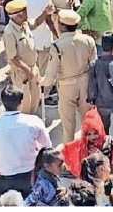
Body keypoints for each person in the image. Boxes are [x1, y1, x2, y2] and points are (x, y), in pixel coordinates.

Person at [0, 85, 52, 201]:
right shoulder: (34, 121)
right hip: (31, 174)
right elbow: (47, 147)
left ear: (3, 102)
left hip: (5, 179)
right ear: (21, 102)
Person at [39, 9, 96, 143]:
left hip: (66, 86)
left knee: (68, 126)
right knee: (88, 123)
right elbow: (94, 64)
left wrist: (42, 82)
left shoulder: (58, 46)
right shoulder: (88, 40)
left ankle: (70, 155)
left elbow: (51, 74)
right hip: (85, 83)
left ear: (63, 26)